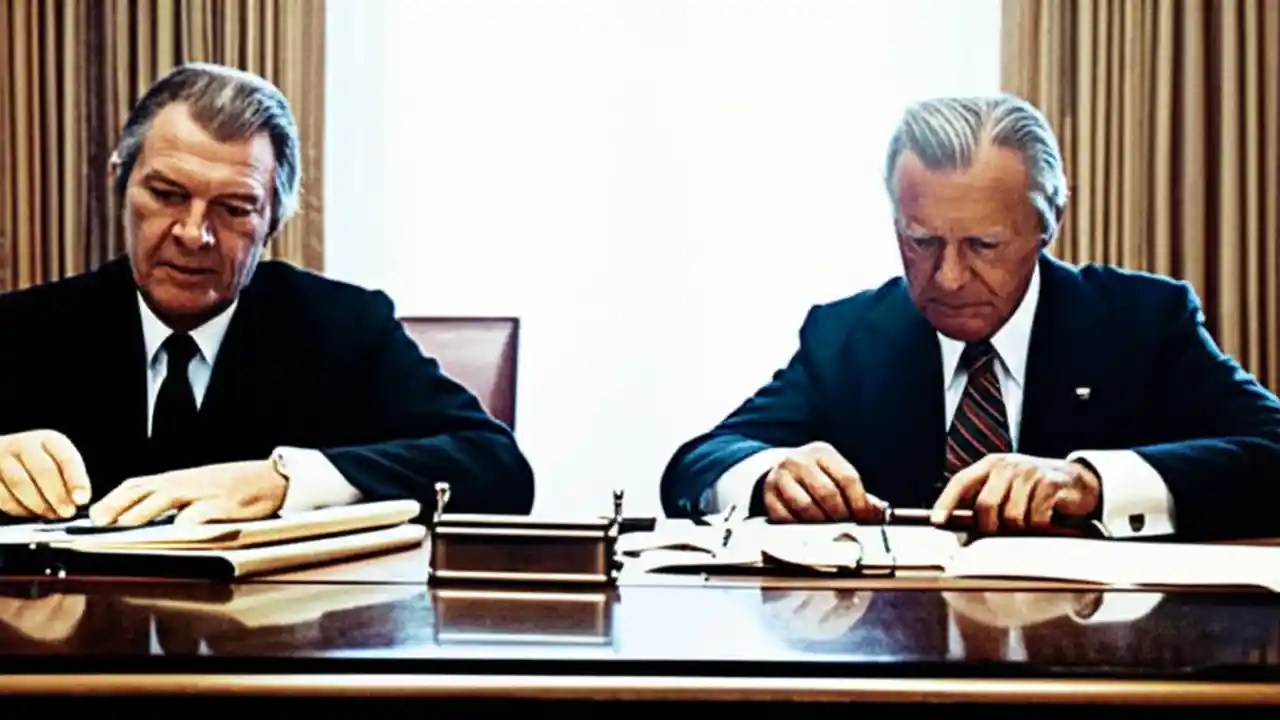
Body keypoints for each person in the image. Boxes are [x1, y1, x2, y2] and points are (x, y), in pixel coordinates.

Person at [660, 93, 1280, 541]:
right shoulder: (846, 337)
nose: (949, 277)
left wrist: (1093, 481)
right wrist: (769, 474)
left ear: (1047, 224)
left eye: (984, 246)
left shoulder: (1143, 322)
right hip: (896, 657)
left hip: (1100, 661)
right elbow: (697, 465)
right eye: (921, 243)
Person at [0, 63, 535, 526]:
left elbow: (496, 467)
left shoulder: (343, 329)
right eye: (166, 195)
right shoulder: (25, 328)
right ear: (121, 183)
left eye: (233, 209)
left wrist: (286, 480)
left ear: (274, 219)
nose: (193, 233)